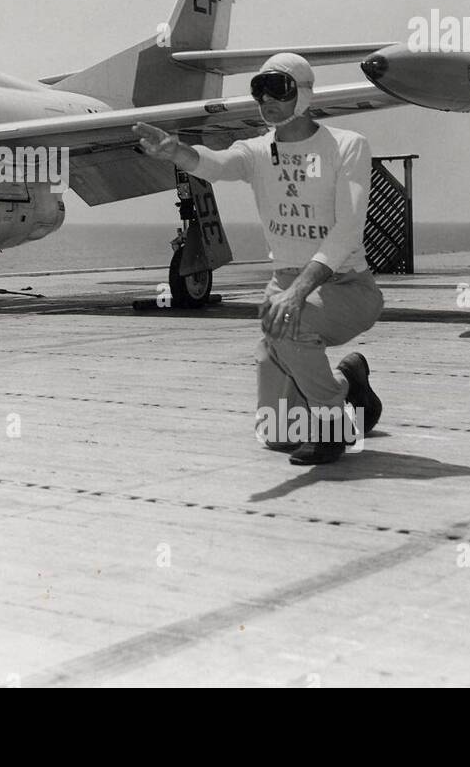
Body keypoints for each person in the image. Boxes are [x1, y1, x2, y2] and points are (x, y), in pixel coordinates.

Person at [134, 52, 385, 466]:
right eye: (259, 90)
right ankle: (349, 383)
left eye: (278, 89)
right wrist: (176, 152)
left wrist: (297, 293)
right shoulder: (256, 151)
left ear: (304, 94)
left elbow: (347, 230)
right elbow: (216, 164)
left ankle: (332, 424)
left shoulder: (346, 146)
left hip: (346, 286)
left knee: (288, 322)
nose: (267, 99)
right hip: (284, 287)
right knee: (279, 433)